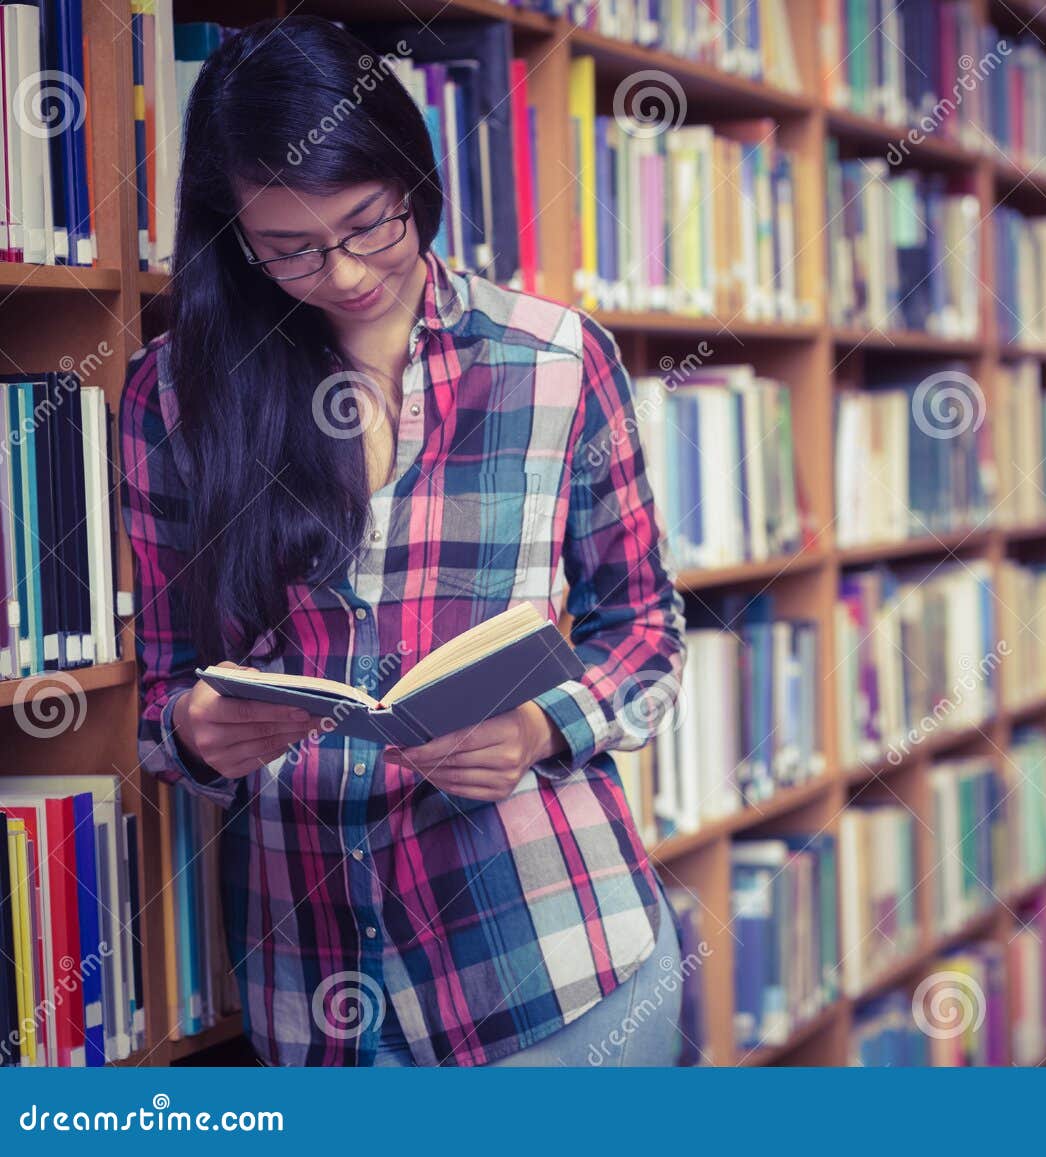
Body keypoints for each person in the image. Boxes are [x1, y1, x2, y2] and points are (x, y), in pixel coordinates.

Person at [119, 17, 687, 1066]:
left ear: (410, 173)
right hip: (318, 990)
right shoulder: (175, 395)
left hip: (551, 967)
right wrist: (195, 732)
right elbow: (158, 689)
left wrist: (539, 728)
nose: (340, 272)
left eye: (369, 225)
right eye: (288, 246)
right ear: (231, 233)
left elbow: (646, 629)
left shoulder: (553, 359)